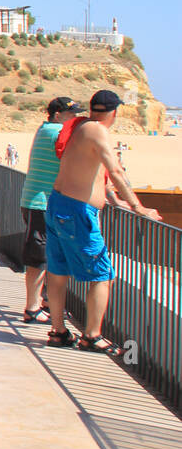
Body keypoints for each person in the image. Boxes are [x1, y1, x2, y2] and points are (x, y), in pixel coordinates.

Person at [44, 90, 161, 354]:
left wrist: (113, 199)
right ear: (115, 112)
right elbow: (115, 170)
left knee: (58, 272)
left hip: (58, 204)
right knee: (103, 276)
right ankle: (91, 336)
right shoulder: (97, 130)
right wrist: (138, 207)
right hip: (76, 212)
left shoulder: (81, 126)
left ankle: (58, 332)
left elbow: (95, 171)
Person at [17, 97, 82, 323]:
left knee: (46, 254)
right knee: (38, 257)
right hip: (40, 203)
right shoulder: (56, 133)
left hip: (39, 201)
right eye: (70, 114)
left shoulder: (45, 129)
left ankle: (44, 301)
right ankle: (32, 307)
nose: (74, 118)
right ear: (57, 115)